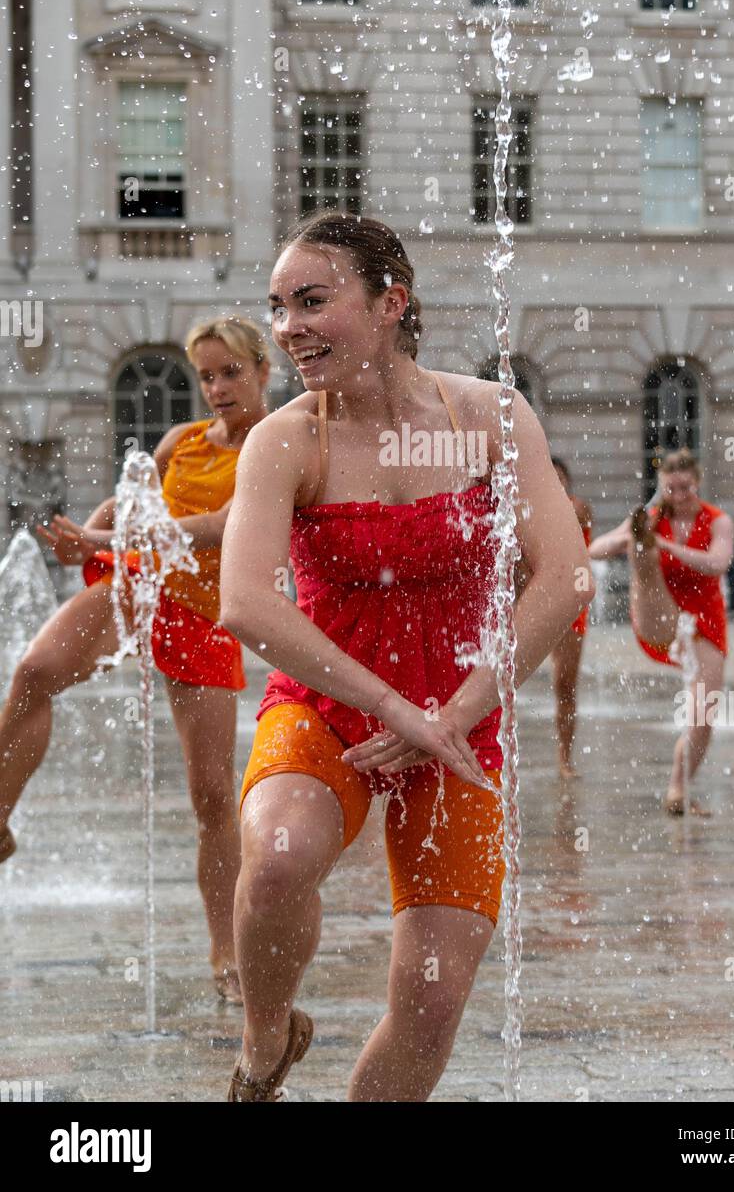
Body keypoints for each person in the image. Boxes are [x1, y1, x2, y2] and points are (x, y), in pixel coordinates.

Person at [219, 209, 593, 1102]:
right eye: (277, 306)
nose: (288, 327)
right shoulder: (286, 439)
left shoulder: (490, 416)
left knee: (432, 1002)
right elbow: (244, 602)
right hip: (330, 710)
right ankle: (266, 1039)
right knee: (274, 858)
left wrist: (454, 712)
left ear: (392, 301)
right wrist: (395, 710)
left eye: (313, 300)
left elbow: (564, 577)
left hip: (462, 720)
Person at [0, 316, 270, 1002]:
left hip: (206, 615)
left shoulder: (277, 442)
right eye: (205, 375)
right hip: (137, 587)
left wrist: (136, 535)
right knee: (33, 673)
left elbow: (225, 526)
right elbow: (130, 501)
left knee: (211, 796)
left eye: (229, 372)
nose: (216, 387)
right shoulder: (184, 439)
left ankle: (225, 952)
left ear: (263, 370)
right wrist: (88, 537)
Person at [588, 450, 733, 816]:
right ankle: (641, 548)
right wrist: (630, 540)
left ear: (697, 483)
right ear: (663, 485)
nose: (680, 494)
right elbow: (594, 549)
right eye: (672, 487)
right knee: (643, 557)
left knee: (703, 716)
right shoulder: (651, 517)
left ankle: (678, 788)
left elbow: (718, 563)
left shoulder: (718, 521)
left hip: (704, 623)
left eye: (685, 487)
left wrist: (667, 546)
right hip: (659, 615)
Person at [548, 458, 592, 778]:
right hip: (532, 598)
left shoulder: (576, 508)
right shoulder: (525, 508)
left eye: (558, 479)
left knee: (565, 687)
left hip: (569, 605)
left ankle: (564, 758)